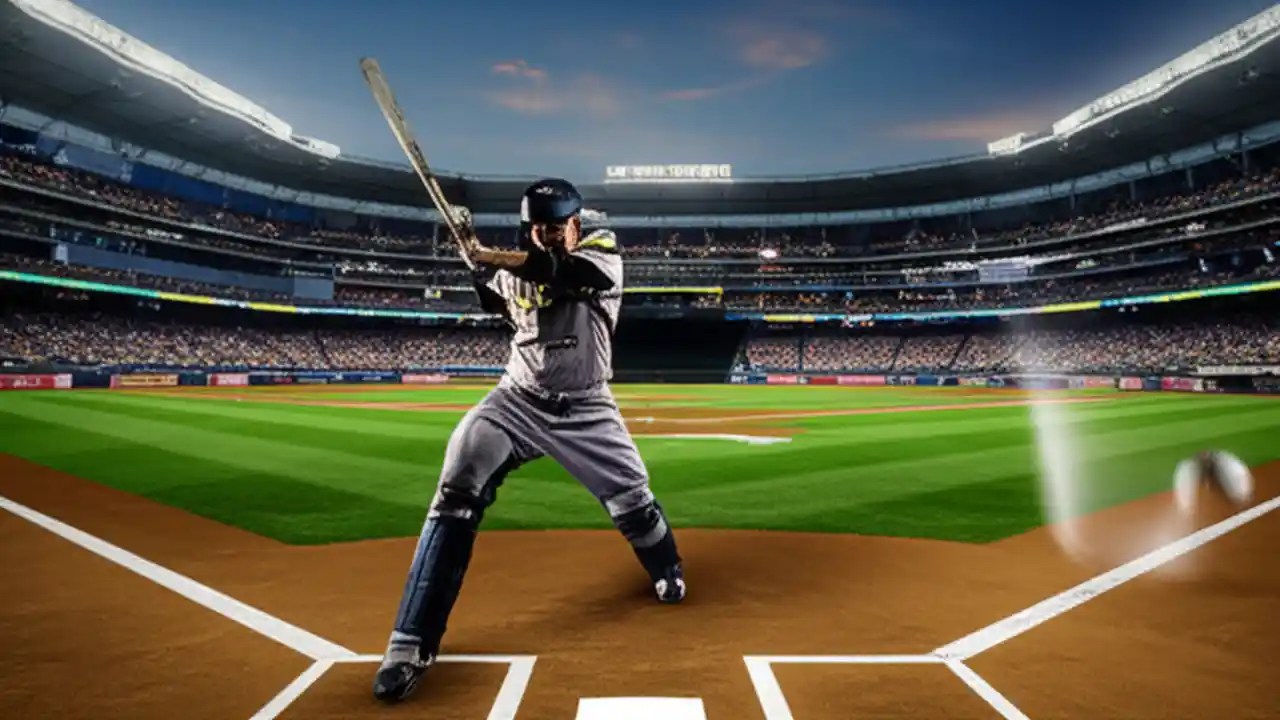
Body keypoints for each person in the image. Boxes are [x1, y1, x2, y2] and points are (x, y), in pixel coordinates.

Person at [372, 178, 686, 703]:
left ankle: (667, 568)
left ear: (575, 225)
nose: (550, 236)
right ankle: (409, 644)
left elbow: (559, 276)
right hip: (517, 399)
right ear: (530, 229)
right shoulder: (518, 262)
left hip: (586, 406)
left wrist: (486, 254)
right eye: (539, 229)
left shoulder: (601, 252)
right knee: (457, 482)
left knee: (633, 499)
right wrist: (475, 268)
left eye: (558, 227)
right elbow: (498, 303)